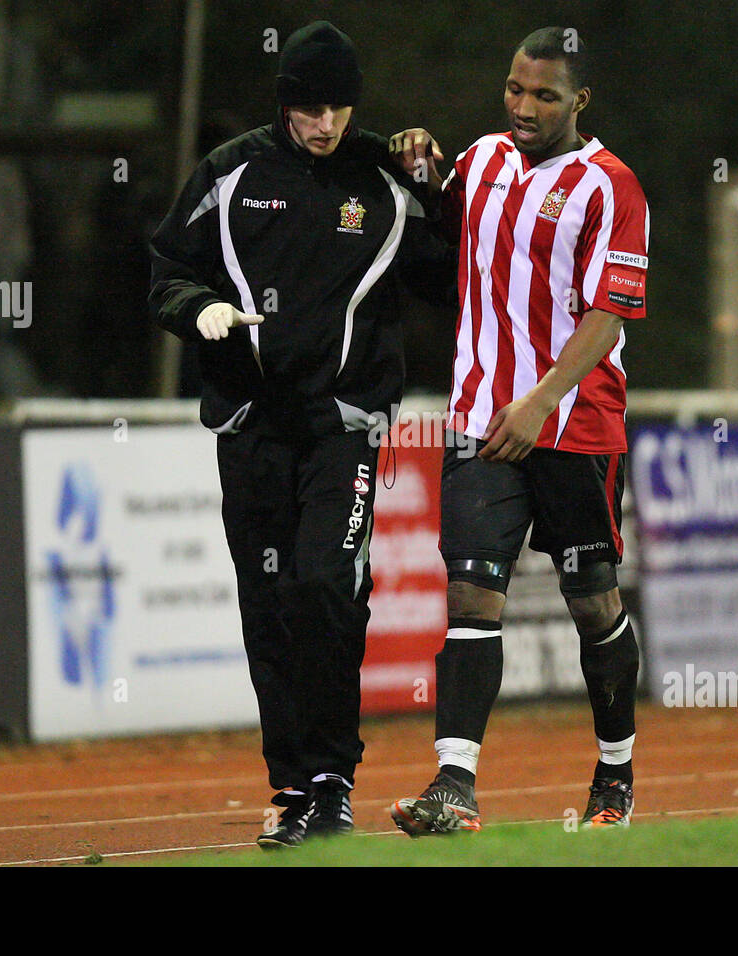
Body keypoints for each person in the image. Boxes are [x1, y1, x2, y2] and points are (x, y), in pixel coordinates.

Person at [148, 20, 446, 849]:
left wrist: (442, 184)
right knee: (270, 606)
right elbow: (165, 268)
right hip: (252, 423)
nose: (327, 126)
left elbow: (456, 271)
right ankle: (293, 787)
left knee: (324, 583)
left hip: (344, 424)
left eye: (341, 109)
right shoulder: (231, 173)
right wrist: (196, 309)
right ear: (285, 106)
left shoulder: (384, 176)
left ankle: (334, 778)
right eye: (312, 109)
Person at [387, 26, 649, 834]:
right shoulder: (484, 161)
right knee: (471, 591)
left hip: (573, 424)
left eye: (543, 95)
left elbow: (610, 314)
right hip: (479, 420)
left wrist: (541, 398)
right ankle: (453, 785)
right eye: (514, 89)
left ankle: (615, 778)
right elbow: (438, 228)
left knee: (592, 601)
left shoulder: (612, 187)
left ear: (581, 101)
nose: (524, 107)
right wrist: (420, 165)